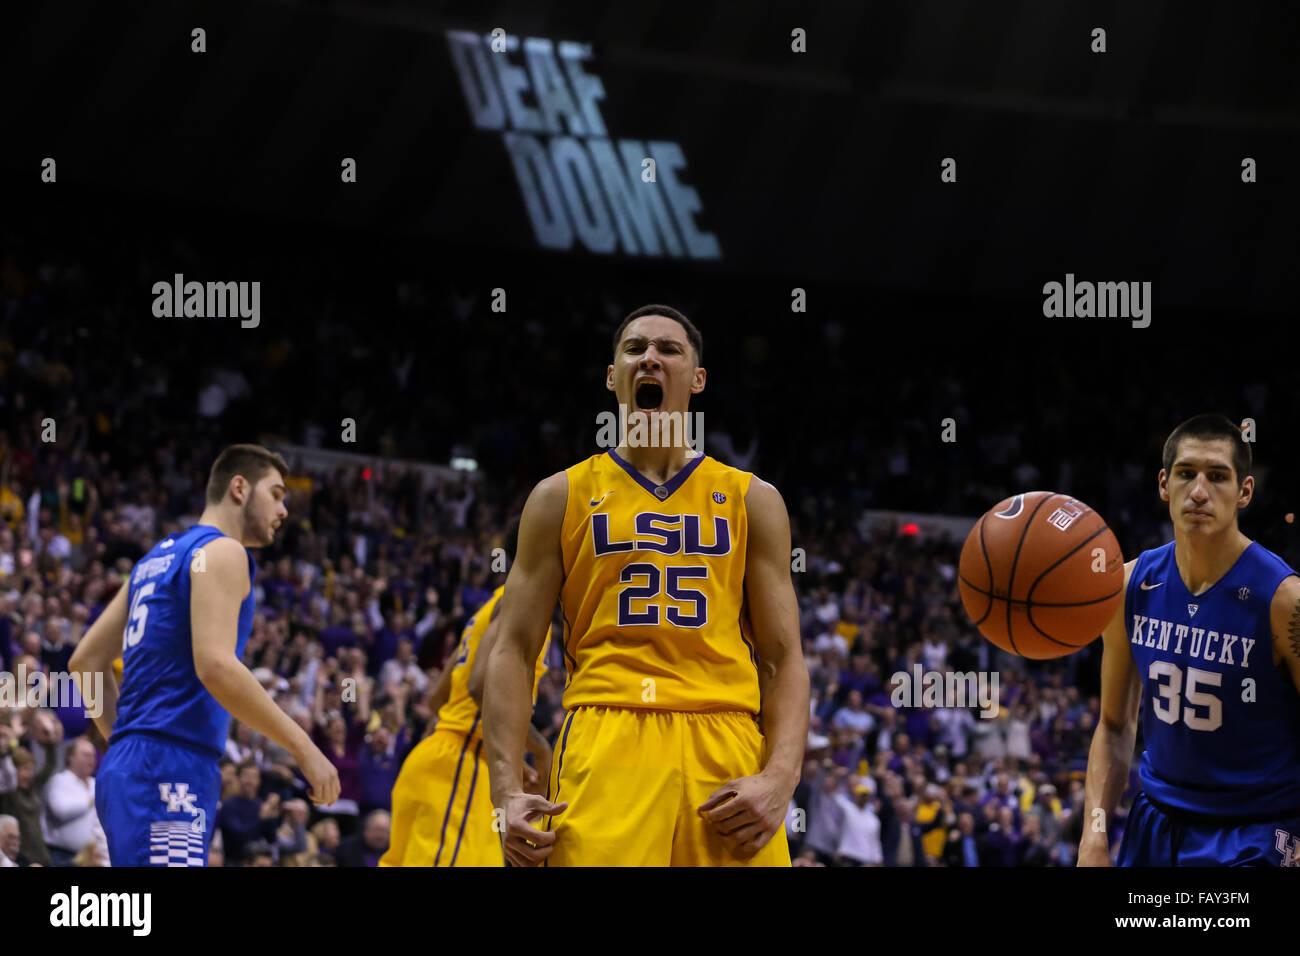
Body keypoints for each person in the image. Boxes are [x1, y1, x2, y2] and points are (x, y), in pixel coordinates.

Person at [484, 305, 809, 866]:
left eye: (669, 349)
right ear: (613, 376)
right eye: (634, 349)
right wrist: (507, 792)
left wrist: (781, 777)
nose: (650, 358)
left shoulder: (753, 499)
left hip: (725, 739)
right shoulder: (559, 496)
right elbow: (513, 650)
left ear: (698, 379)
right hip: (607, 731)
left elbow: (783, 658)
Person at [69, 444, 340, 867]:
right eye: (277, 493)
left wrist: (125, 739)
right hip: (170, 765)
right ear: (239, 487)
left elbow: (83, 663)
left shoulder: (154, 560)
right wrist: (304, 748)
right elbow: (215, 666)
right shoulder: (224, 551)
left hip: (137, 765)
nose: (284, 510)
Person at [1079, 414, 1300, 867]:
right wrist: (1095, 835)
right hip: (1156, 825)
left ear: (1245, 492)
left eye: (1217, 476)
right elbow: (1115, 727)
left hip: (1256, 831)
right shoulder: (1128, 586)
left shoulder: (1284, 601)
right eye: (1186, 474)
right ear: (1164, 484)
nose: (1199, 491)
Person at [382, 518, 550, 866]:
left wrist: (512, 756)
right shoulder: (519, 605)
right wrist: (540, 749)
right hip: (463, 764)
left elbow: (437, 697)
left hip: (438, 760)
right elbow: (480, 686)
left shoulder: (489, 607)